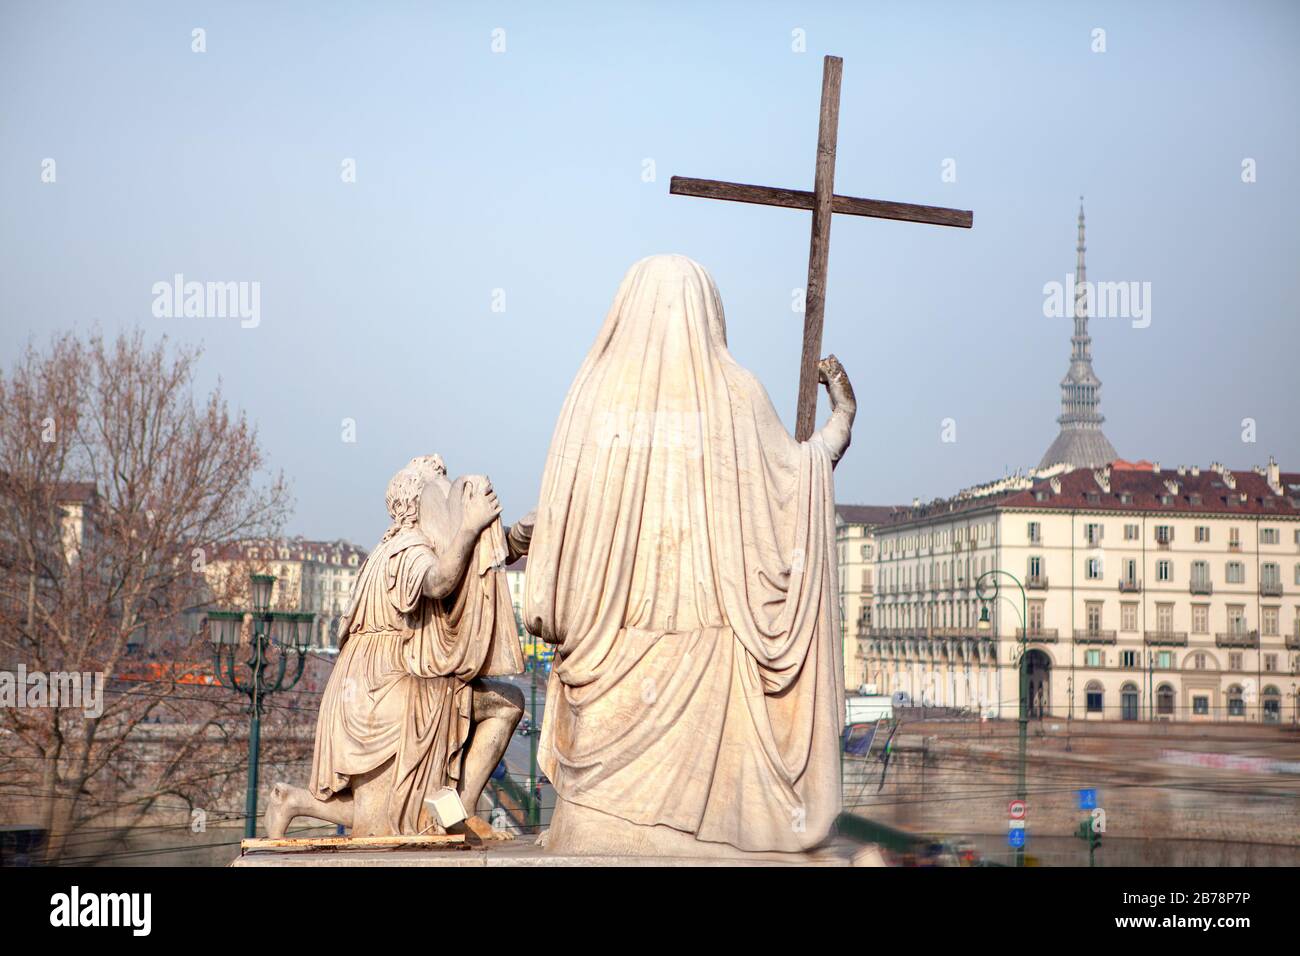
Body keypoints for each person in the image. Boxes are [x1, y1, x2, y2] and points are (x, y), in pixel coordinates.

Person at [524, 254, 855, 857]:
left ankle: (597, 823)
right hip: (712, 653)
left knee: (591, 837)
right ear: (709, 312)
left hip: (608, 656)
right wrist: (840, 423)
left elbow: (558, 530)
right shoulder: (736, 392)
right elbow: (791, 486)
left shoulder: (592, 397)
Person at [266, 454, 533, 840]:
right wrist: (471, 527)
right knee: (507, 704)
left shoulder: (381, 552)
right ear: (420, 502)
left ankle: (291, 800)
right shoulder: (407, 550)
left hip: (364, 683)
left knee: (392, 811)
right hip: (384, 686)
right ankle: (462, 809)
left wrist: (516, 535)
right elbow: (439, 582)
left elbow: (477, 558)